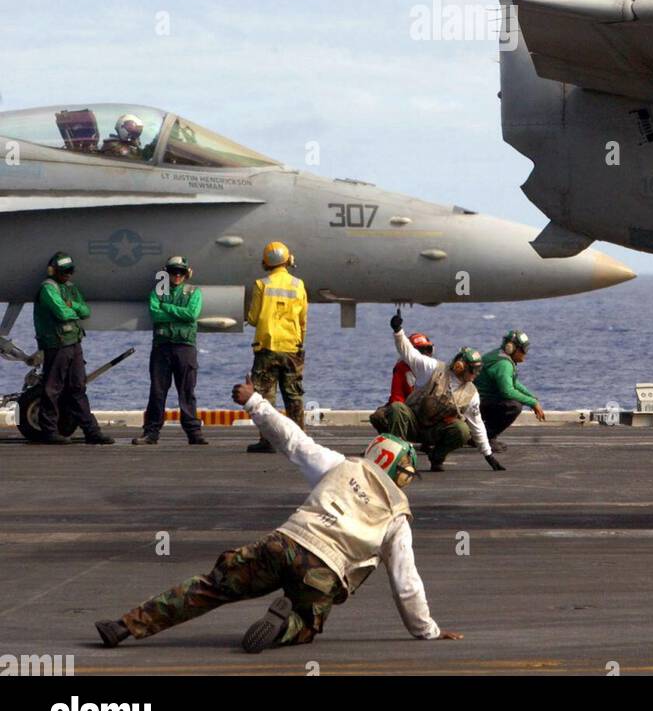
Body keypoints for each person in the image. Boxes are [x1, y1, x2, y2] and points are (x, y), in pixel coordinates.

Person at [94, 374, 463, 652]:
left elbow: (292, 439)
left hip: (284, 542)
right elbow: (406, 582)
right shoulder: (397, 517)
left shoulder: (340, 465)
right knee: (307, 624)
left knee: (210, 587)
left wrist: (255, 400)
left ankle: (125, 625)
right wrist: (427, 630)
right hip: (323, 572)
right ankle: (286, 624)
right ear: (402, 473)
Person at [381, 311, 503, 473]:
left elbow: (477, 424)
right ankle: (397, 457)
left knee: (462, 430)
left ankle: (437, 458)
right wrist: (398, 331)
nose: (476, 375)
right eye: (474, 370)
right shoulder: (432, 368)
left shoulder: (471, 394)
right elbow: (409, 353)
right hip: (413, 424)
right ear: (460, 366)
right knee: (397, 408)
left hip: (434, 431)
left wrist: (488, 455)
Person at [33, 252, 114, 445]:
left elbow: (85, 312)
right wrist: (72, 308)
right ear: (53, 271)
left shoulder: (70, 288)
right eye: (64, 271)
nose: (67, 275)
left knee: (78, 387)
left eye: (70, 271)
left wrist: (72, 305)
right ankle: (49, 431)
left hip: (73, 343)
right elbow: (61, 313)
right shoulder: (48, 289)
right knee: (53, 388)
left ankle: (91, 431)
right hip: (57, 344)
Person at [132, 257, 207, 446]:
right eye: (174, 272)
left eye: (181, 272)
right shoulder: (158, 292)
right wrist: (176, 312)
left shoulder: (193, 292)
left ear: (187, 273)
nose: (177, 276)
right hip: (162, 347)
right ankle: (151, 432)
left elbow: (192, 315)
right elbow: (155, 315)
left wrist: (167, 307)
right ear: (167, 273)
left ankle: (193, 433)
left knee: (187, 391)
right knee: (157, 392)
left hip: (185, 346)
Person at [245, 241, 308, 453]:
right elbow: (303, 319)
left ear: (265, 263)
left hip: (267, 348)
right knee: (293, 396)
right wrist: (299, 342)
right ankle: (298, 441)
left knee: (264, 398)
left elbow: (253, 318)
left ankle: (268, 441)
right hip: (291, 348)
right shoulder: (298, 285)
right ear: (289, 260)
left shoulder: (261, 284)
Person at [475, 329, 545, 453]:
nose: (525, 353)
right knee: (513, 406)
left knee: (512, 401)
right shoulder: (504, 364)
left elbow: (513, 383)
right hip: (478, 403)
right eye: (523, 350)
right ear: (511, 348)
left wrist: (531, 397)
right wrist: (532, 402)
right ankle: (486, 438)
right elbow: (507, 391)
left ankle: (479, 436)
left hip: (479, 401)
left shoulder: (499, 356)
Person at [368, 330, 433, 433]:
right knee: (378, 416)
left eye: (428, 349)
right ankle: (394, 439)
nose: (424, 354)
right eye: (420, 350)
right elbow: (396, 397)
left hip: (427, 412)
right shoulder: (401, 368)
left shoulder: (435, 368)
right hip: (406, 408)